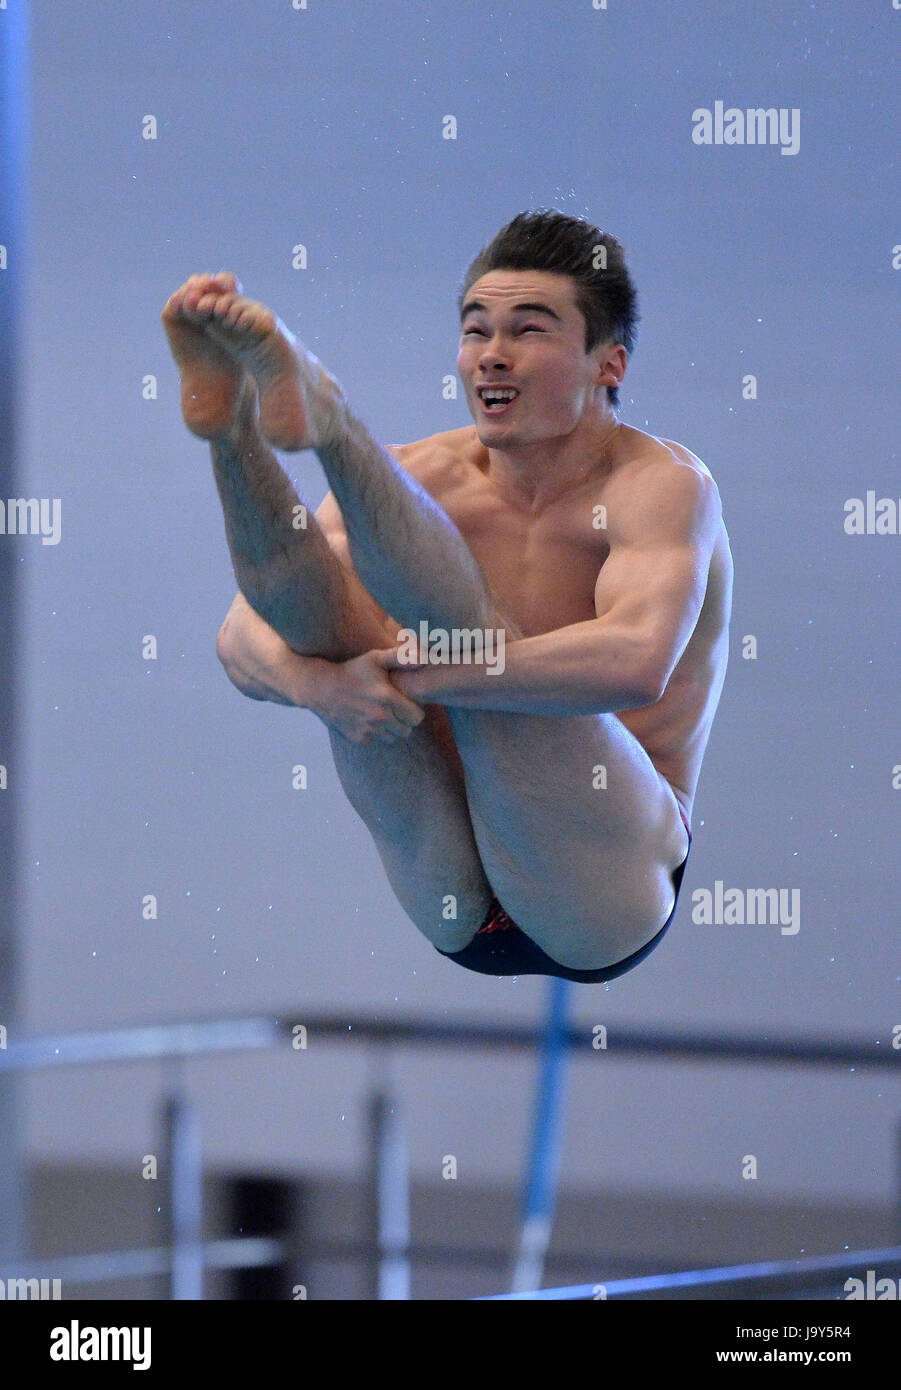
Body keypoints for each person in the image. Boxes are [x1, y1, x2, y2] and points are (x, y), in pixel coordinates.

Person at [161, 210, 732, 983]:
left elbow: (635, 663)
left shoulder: (660, 487)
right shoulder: (414, 481)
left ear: (610, 364)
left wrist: (431, 675)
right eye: (475, 332)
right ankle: (232, 434)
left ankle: (333, 427)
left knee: (465, 635)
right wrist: (323, 688)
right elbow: (243, 637)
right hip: (449, 882)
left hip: (601, 882)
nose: (491, 357)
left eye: (528, 331)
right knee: (331, 636)